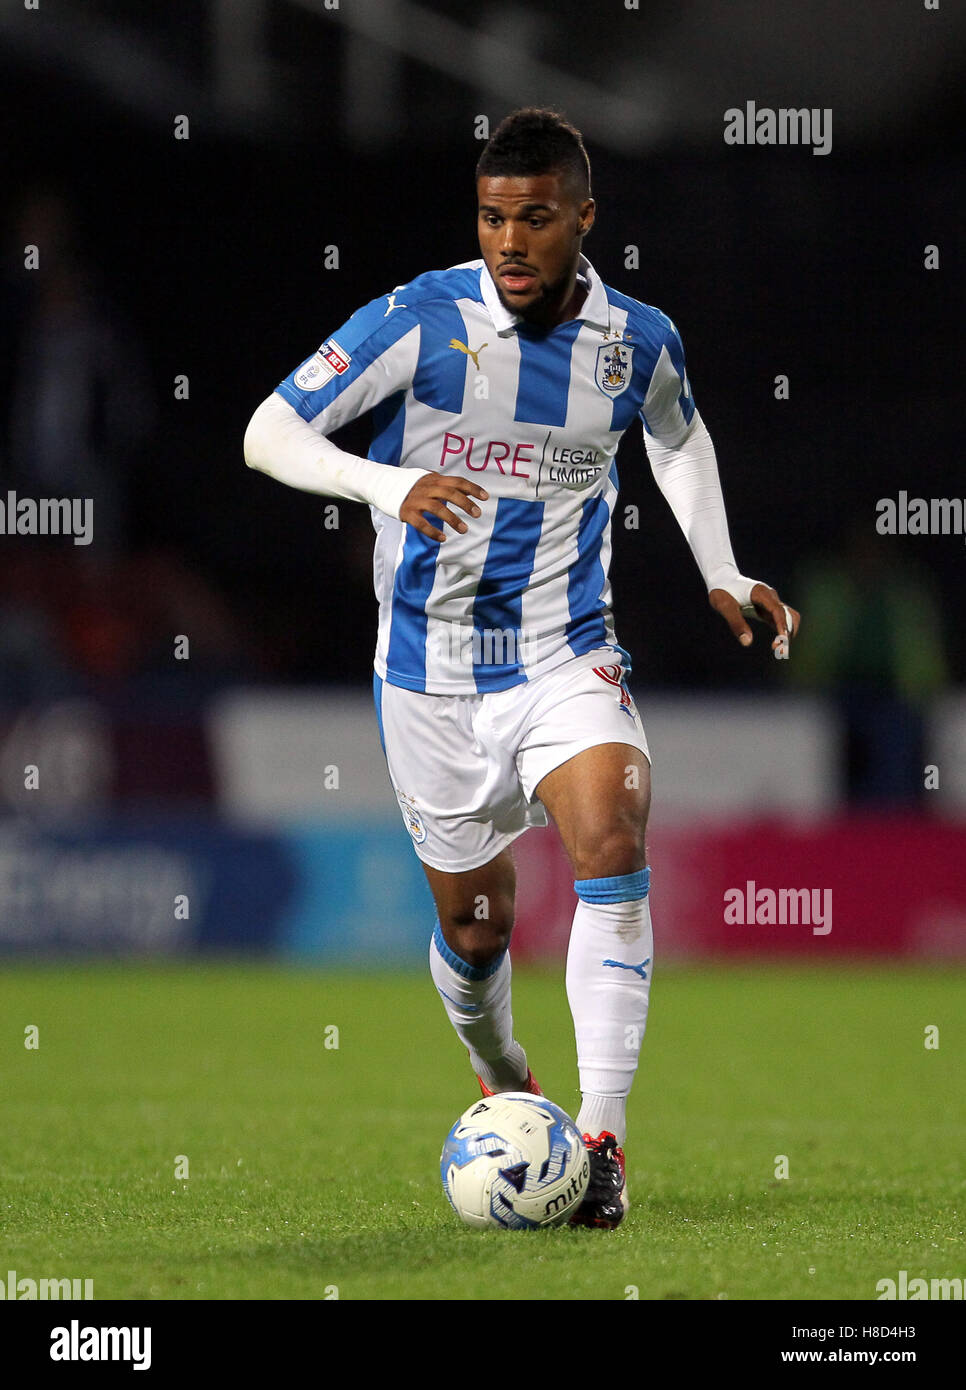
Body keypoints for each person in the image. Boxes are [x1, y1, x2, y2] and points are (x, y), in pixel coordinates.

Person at [244, 108, 799, 1229]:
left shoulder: (637, 339)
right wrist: (386, 484)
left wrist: (723, 567)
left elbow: (677, 435)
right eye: (493, 217)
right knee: (478, 931)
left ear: (583, 220)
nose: (509, 241)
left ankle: (600, 1143)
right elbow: (267, 430)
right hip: (428, 677)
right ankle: (506, 1074)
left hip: (564, 651)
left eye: (535, 219)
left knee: (612, 835)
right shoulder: (420, 318)